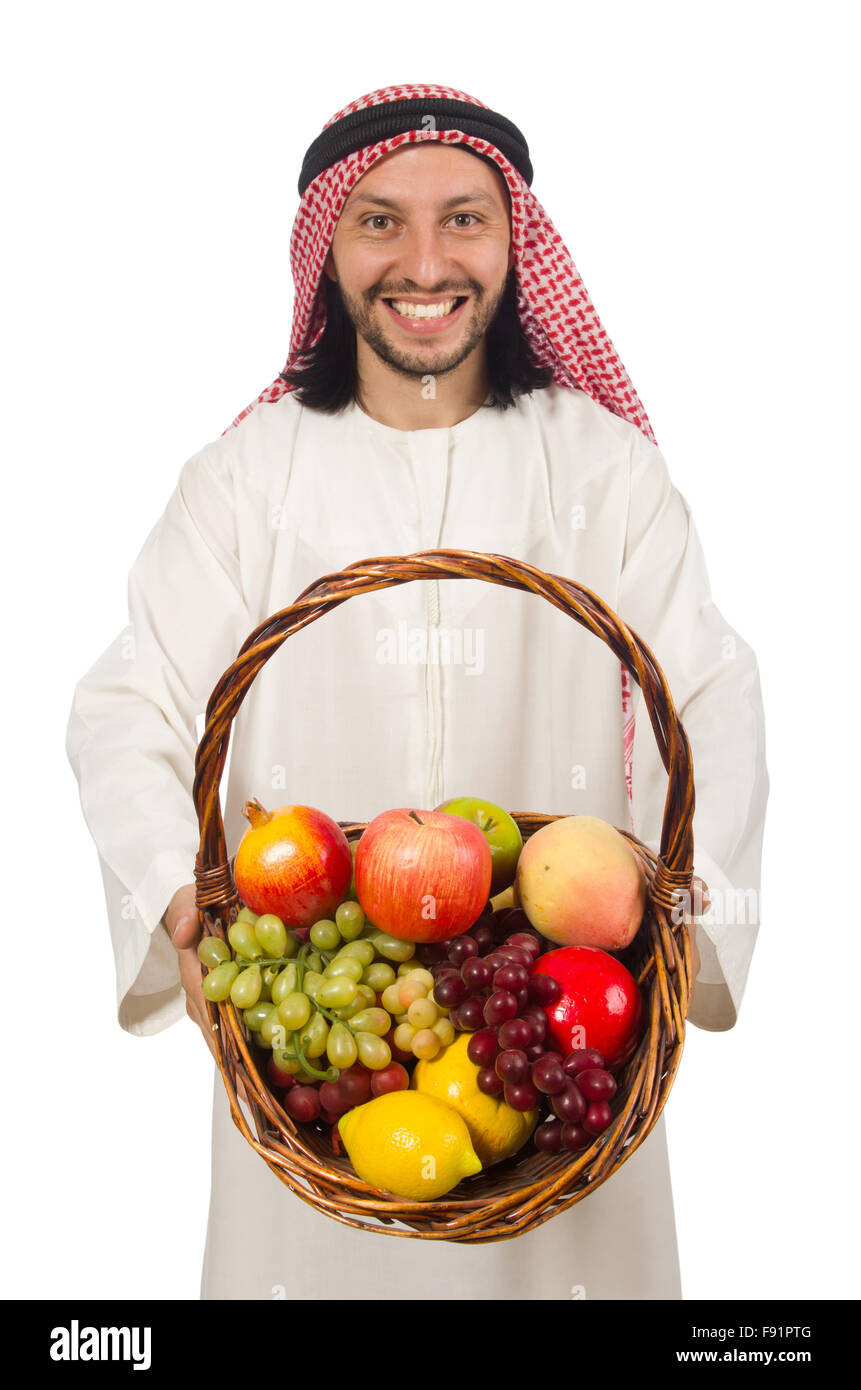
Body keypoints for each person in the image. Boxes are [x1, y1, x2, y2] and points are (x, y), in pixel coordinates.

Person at [65, 82, 768, 1300]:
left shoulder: (601, 465)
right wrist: (178, 899)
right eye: (381, 221)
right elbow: (129, 703)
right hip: (317, 1074)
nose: (426, 261)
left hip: (559, 1042)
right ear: (327, 249)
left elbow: (707, 690)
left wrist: (671, 910)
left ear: (517, 244)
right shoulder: (248, 476)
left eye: (466, 220)